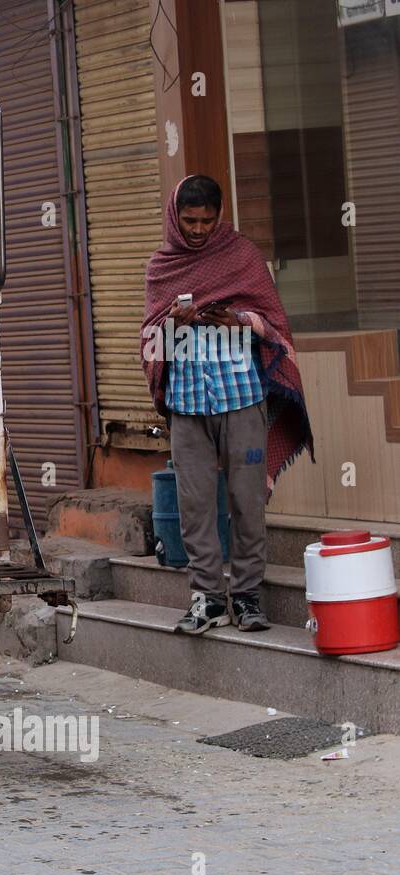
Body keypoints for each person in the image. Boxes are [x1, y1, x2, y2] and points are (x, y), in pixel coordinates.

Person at [141, 174, 313, 635]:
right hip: (187, 405)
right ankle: (207, 600)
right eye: (190, 220)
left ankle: (248, 597)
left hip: (241, 400)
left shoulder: (242, 257)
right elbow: (151, 339)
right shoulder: (161, 266)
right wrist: (176, 325)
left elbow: (272, 325)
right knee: (195, 506)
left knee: (247, 500)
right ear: (175, 218)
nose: (198, 229)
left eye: (207, 221)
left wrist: (235, 319)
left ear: (220, 218)